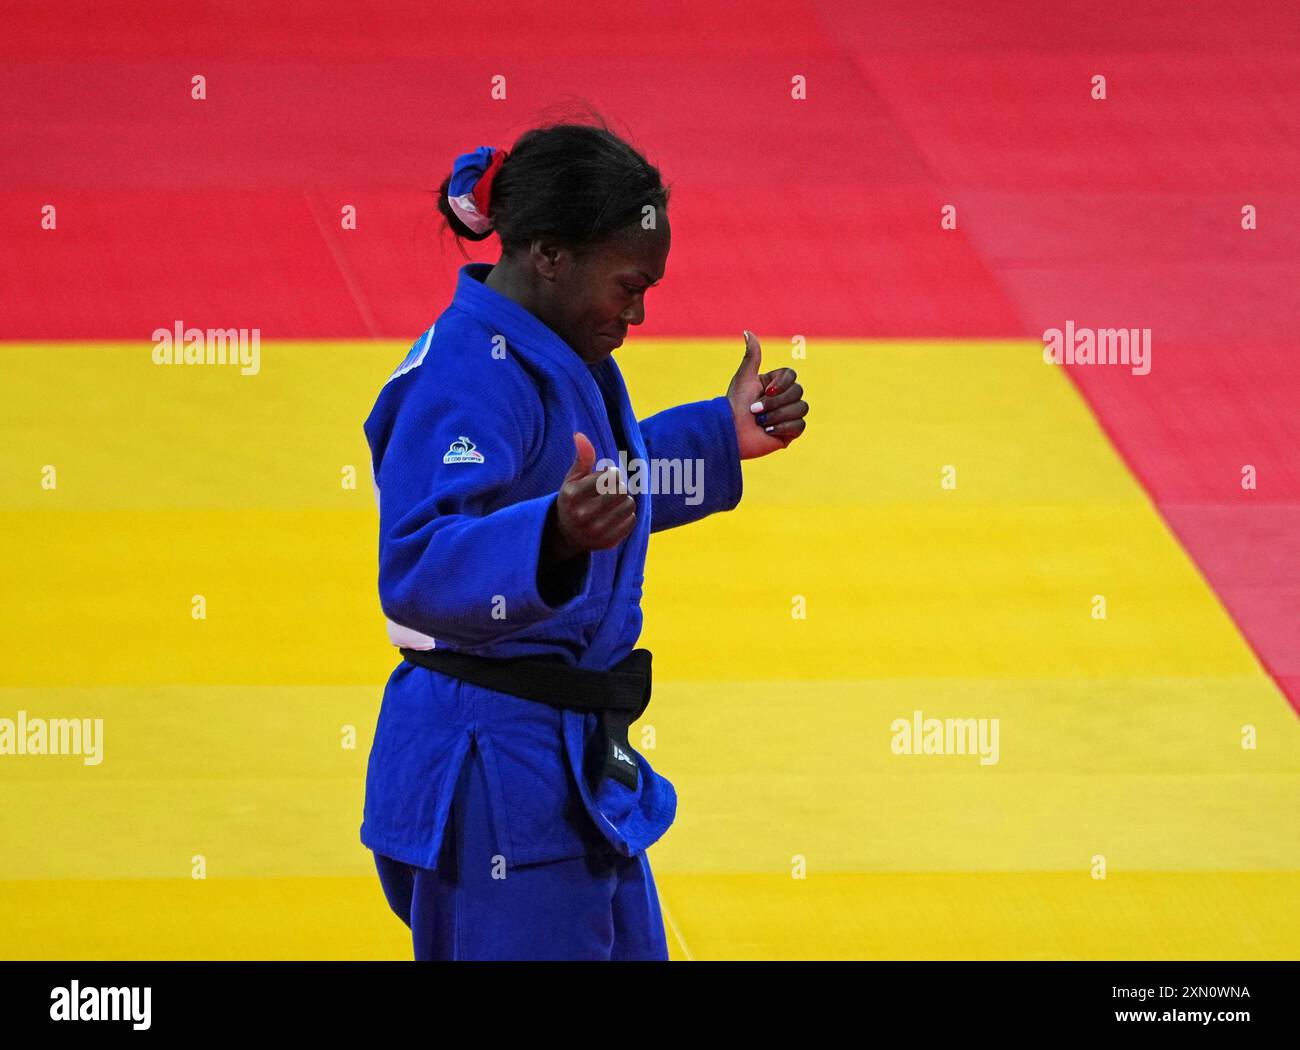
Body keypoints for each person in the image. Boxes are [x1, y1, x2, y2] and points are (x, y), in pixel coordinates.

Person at [361, 118, 809, 960]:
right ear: (551, 255)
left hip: (559, 760)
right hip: (494, 770)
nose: (639, 312)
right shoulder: (470, 377)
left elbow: (603, 489)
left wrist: (721, 435)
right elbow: (417, 564)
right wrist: (552, 534)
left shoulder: (553, 346)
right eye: (630, 285)